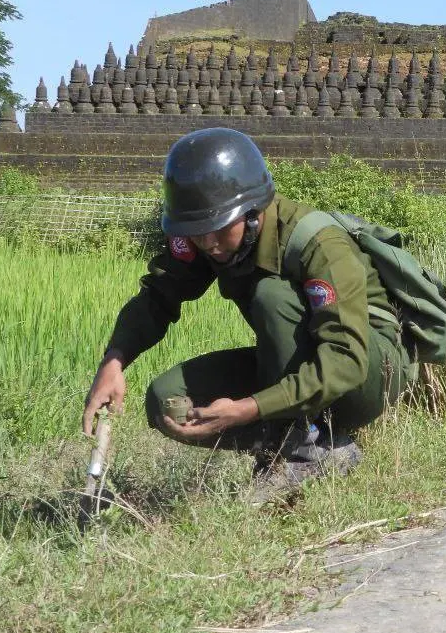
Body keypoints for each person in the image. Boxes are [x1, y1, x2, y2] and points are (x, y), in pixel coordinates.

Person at [82, 127, 414, 500]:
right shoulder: (209, 239)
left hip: (367, 373)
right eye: (196, 231)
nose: (207, 242)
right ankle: (310, 448)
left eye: (218, 228)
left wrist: (250, 408)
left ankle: (299, 451)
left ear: (252, 211)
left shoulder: (319, 244)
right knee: (167, 402)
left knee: (272, 296)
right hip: (306, 367)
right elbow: (160, 295)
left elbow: (346, 360)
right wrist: (114, 361)